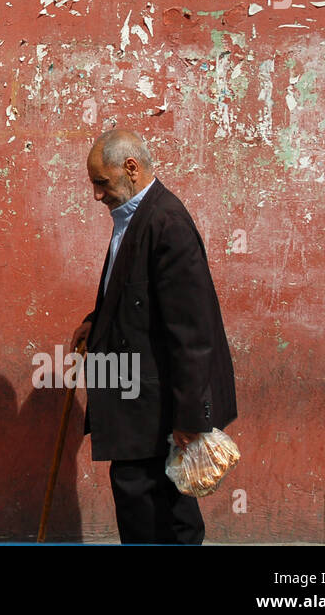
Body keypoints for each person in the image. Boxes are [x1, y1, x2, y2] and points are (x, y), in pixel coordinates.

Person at [69, 129, 237, 544]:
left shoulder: (166, 222)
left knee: (156, 511)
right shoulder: (133, 216)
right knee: (149, 503)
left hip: (154, 405)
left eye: (100, 183)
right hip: (136, 398)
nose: (96, 195)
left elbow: (192, 330)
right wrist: (99, 318)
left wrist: (190, 418)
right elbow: (134, 290)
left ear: (131, 168)